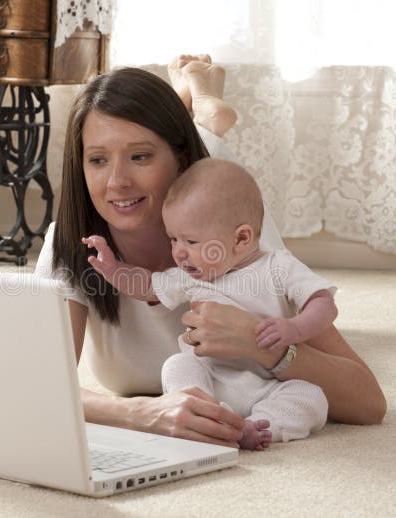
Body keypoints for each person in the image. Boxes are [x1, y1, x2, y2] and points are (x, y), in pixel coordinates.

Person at [36, 57, 386, 449]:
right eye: (98, 160)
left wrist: (265, 348)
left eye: (140, 157)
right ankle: (202, 105)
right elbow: (38, 387)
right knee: (197, 155)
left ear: (181, 159)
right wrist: (142, 413)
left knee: (216, 176)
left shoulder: (234, 240)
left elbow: (369, 403)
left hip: (209, 198)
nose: (116, 181)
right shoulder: (73, 245)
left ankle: (203, 110)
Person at [82, 158, 337, 450]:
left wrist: (294, 328)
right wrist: (115, 270)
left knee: (312, 396)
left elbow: (324, 302)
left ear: (241, 239)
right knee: (178, 365)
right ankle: (207, 419)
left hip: (269, 386)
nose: (178, 253)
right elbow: (148, 285)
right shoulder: (193, 278)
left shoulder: (278, 267)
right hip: (212, 381)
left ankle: (260, 425)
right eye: (173, 239)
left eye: (190, 241)